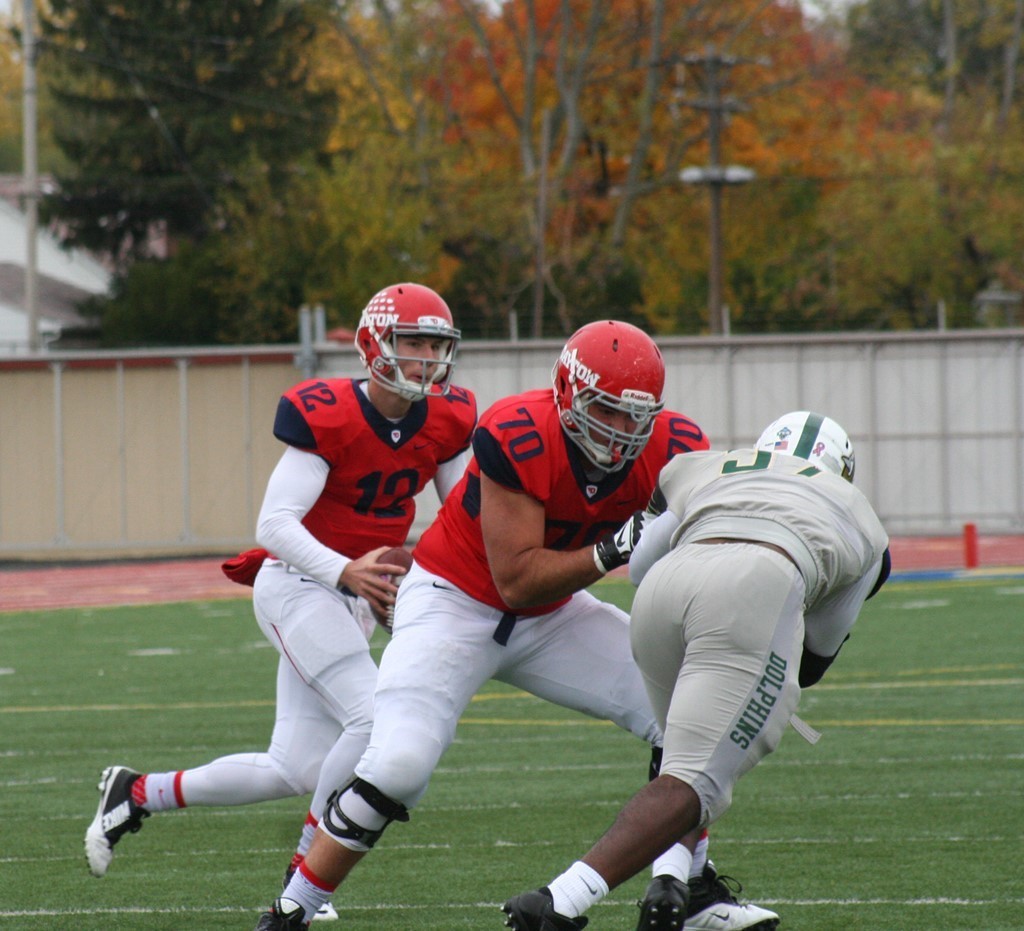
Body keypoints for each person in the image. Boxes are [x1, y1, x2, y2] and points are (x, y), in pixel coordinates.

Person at [253, 320, 780, 931]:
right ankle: (293, 910)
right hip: (455, 602)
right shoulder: (518, 431)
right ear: (566, 392)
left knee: (686, 717)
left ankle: (686, 889)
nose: (622, 432)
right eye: (606, 411)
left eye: (637, 417)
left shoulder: (675, 446)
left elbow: (673, 559)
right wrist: (614, 551)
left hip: (552, 617)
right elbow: (518, 580)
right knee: (400, 761)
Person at [84, 283, 477, 921]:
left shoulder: (448, 417)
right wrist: (348, 569)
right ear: (374, 344)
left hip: (353, 593)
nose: (427, 358)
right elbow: (275, 525)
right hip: (297, 584)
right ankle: (306, 875)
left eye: (437, 344)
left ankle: (137, 793)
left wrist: (423, 579)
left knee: (292, 768)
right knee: (375, 720)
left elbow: (463, 519)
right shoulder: (327, 412)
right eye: (413, 343)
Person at [503, 411, 891, 929]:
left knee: (677, 753)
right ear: (842, 470)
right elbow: (816, 653)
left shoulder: (717, 465)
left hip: (664, 591)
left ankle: (684, 888)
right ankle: (558, 903)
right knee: (693, 779)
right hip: (756, 583)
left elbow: (640, 567)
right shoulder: (858, 514)